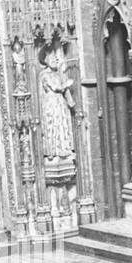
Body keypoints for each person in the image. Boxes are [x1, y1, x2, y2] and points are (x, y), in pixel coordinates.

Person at [39, 46, 77, 183]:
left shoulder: (58, 73)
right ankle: (54, 153)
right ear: (45, 60)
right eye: (52, 57)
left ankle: (64, 151)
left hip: (60, 107)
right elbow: (55, 87)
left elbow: (65, 92)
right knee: (54, 128)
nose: (55, 59)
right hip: (51, 108)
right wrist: (66, 84)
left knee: (62, 127)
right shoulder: (44, 75)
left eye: (56, 57)